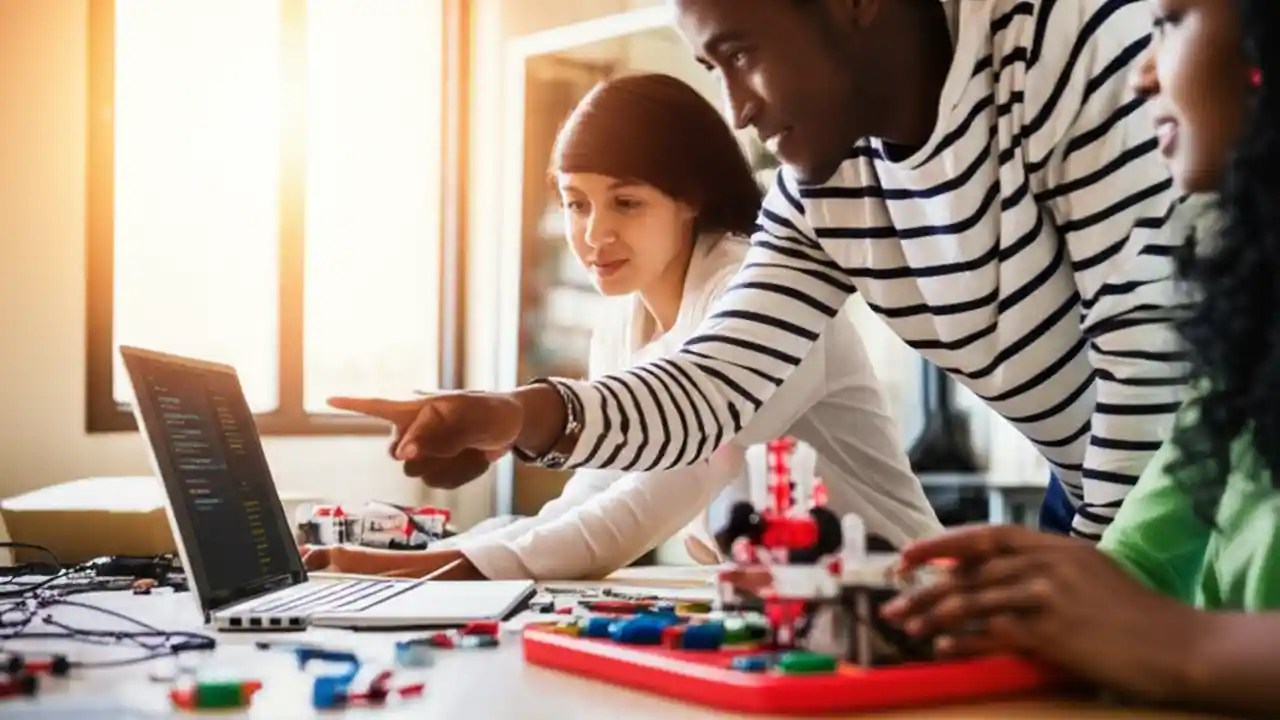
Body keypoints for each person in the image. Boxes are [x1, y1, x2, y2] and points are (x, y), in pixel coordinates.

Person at [333, 0, 1186, 540]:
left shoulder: (1064, 44)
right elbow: (710, 388)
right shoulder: (820, 190)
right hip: (1094, 498)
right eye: (714, 68)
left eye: (740, 52)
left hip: (1208, 492)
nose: (737, 110)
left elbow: (1150, 352)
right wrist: (513, 414)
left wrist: (1103, 580)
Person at [306, 74, 940, 580]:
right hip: (782, 600)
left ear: (691, 195)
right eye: (576, 203)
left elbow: (652, 499)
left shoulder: (764, 295)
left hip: (898, 593)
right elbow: (597, 490)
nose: (593, 235)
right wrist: (456, 550)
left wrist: (428, 567)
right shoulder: (620, 319)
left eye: (627, 202)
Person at [881, 1, 1280, 715]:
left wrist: (1181, 646)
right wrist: (977, 608)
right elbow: (1133, 571)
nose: (1144, 75)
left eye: (1175, 20)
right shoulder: (1246, 358)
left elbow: (1155, 625)